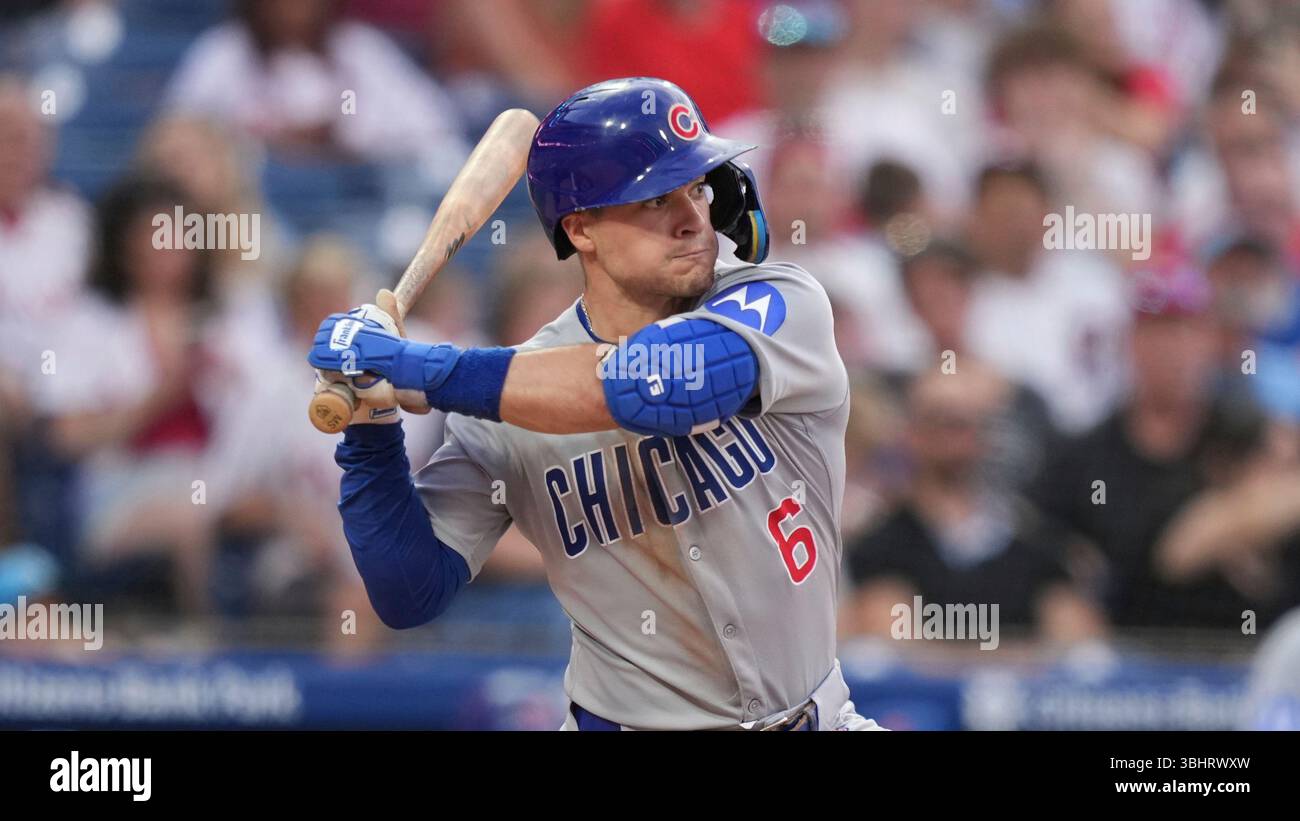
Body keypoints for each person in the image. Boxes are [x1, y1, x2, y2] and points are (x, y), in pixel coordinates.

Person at [307, 78, 882, 731]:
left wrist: (417, 366)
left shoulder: (780, 302)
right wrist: (371, 428)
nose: (693, 216)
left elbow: (651, 384)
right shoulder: (511, 395)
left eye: (697, 186)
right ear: (581, 228)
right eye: (656, 198)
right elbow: (409, 591)